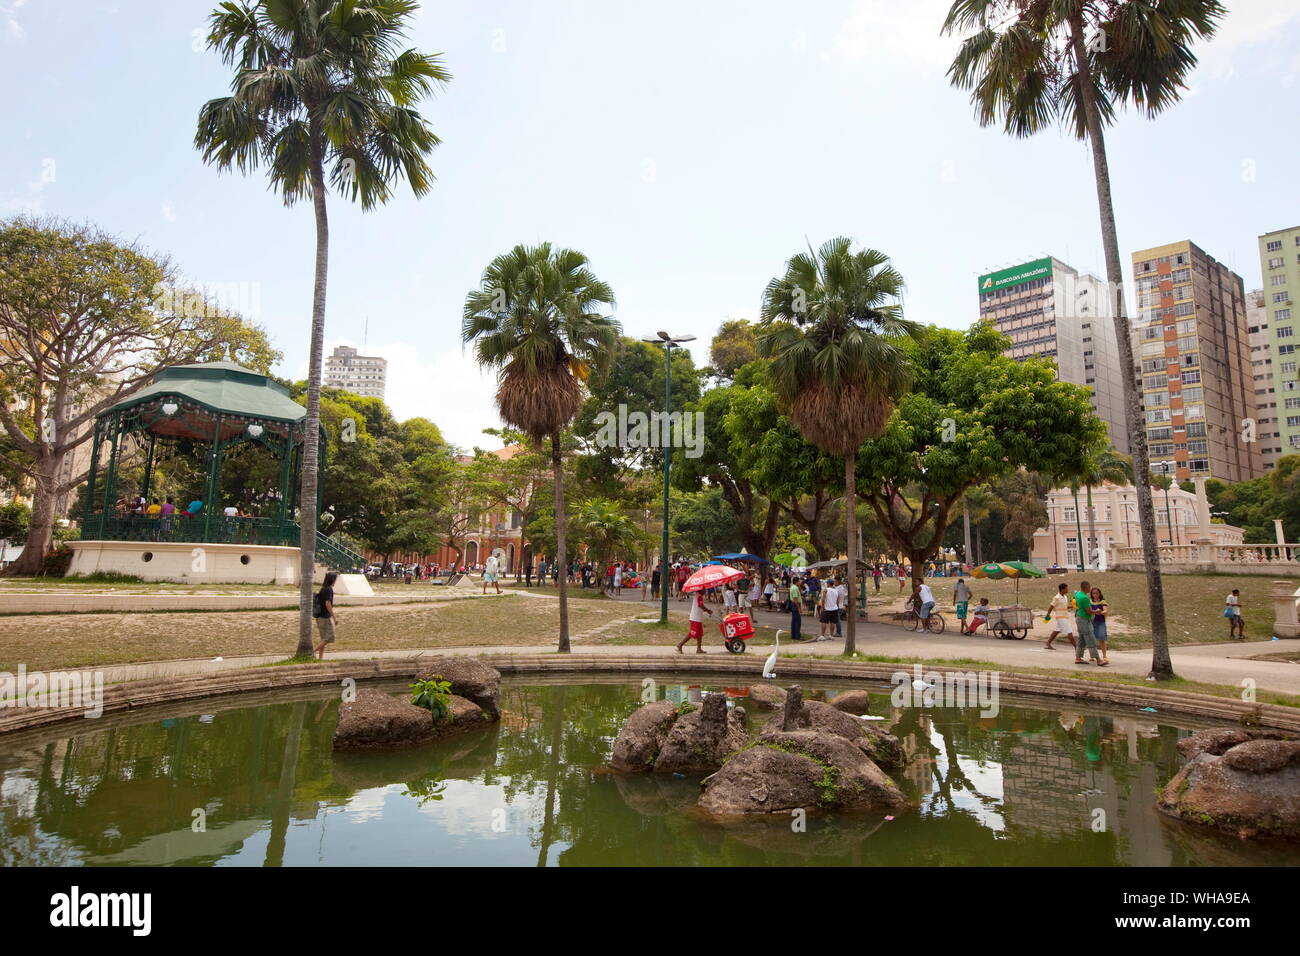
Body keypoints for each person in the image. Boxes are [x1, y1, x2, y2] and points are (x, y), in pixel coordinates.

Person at [1073, 579, 1106, 665]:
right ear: (1086, 587)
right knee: (1091, 639)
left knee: (1082, 639)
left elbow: (1075, 604)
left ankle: (1078, 658)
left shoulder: (1077, 594)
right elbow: (1088, 611)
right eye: (1089, 587)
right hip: (1084, 620)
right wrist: (1097, 611)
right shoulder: (1085, 598)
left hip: (1079, 618)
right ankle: (1098, 660)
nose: (1090, 588)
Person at [313, 571, 339, 659]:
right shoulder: (329, 589)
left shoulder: (323, 588)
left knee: (323, 638)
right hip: (325, 617)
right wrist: (334, 618)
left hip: (319, 617)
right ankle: (312, 652)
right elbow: (328, 604)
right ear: (333, 580)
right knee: (329, 637)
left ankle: (320, 658)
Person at [1045, 582, 1076, 651]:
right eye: (1066, 588)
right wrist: (1048, 614)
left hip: (1065, 616)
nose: (1067, 590)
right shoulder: (1057, 597)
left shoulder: (1065, 597)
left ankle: (1048, 643)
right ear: (1062, 589)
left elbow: (1065, 606)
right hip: (1060, 617)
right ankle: (1076, 647)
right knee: (1069, 631)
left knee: (1057, 630)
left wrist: (1073, 606)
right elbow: (1051, 606)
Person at [1090, 587, 1109, 661]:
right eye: (1093, 593)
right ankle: (1092, 656)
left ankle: (1104, 656)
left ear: (1099, 593)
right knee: (1092, 639)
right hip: (1092, 622)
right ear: (1091, 594)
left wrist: (1100, 612)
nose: (1095, 595)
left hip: (1101, 622)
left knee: (1102, 638)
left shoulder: (1103, 601)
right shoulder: (1089, 601)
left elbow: (1106, 611)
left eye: (1096, 593)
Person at [818, 577, 841, 641]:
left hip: (827, 608)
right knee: (832, 622)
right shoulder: (836, 591)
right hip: (834, 608)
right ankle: (831, 635)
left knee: (824, 622)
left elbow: (823, 599)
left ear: (828, 584)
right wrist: (837, 607)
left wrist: (823, 607)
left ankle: (822, 635)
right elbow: (837, 601)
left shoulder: (826, 590)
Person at [788, 576, 804, 641]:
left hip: (794, 604)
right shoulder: (795, 588)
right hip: (795, 605)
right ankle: (797, 635)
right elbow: (795, 599)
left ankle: (793, 634)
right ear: (796, 582)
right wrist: (799, 608)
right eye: (799, 581)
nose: (800, 582)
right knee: (797, 621)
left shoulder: (794, 587)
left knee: (794, 620)